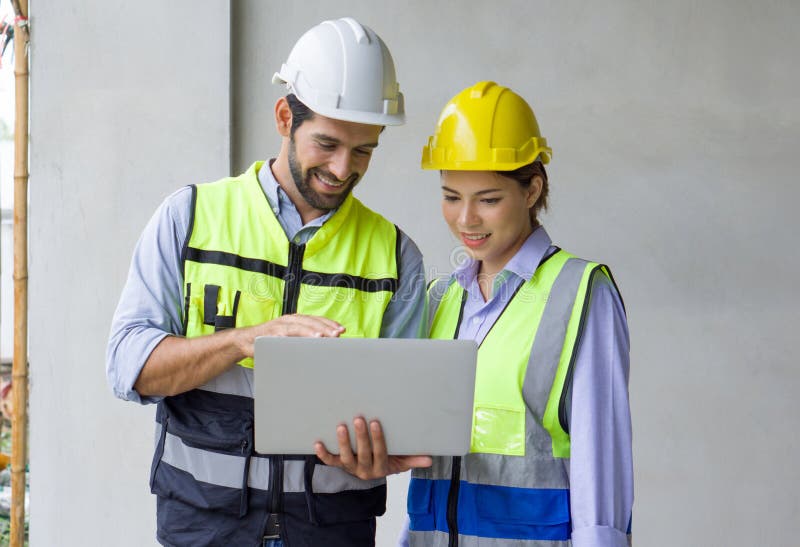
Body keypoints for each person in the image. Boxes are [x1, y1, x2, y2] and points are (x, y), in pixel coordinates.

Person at [106, 17, 429, 547]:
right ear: (285, 117)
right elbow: (129, 368)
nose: (344, 168)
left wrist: (380, 453)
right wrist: (243, 341)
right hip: (204, 527)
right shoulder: (189, 219)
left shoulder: (396, 258)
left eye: (364, 150)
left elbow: (402, 416)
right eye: (327, 143)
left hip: (331, 531)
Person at [402, 81, 633, 546]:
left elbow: (598, 456)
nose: (466, 219)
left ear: (532, 190)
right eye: (451, 196)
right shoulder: (440, 298)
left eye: (488, 199)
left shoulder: (580, 292)